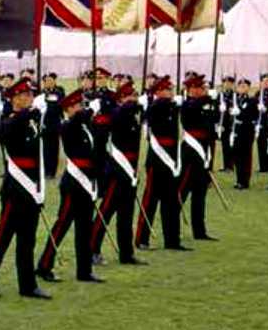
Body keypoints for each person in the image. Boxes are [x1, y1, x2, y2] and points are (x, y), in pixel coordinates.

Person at [0, 78, 51, 299]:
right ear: (14, 99)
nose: (29, 98)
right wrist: (30, 114)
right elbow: (6, 136)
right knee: (4, 236)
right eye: (24, 95)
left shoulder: (30, 119)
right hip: (15, 188)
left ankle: (27, 284)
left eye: (30, 95)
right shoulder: (12, 121)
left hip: (32, 187)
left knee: (27, 239)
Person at [35, 88, 104, 282]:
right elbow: (77, 120)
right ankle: (44, 265)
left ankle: (84, 271)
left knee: (85, 229)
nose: (82, 108)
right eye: (77, 105)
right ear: (68, 109)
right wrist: (89, 110)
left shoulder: (85, 126)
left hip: (87, 182)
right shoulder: (67, 125)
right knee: (61, 226)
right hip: (73, 183)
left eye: (82, 104)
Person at [90, 82, 145, 265]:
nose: (134, 99)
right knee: (106, 211)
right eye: (130, 96)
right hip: (116, 171)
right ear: (121, 99)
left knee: (126, 215)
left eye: (135, 95)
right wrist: (131, 104)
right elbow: (120, 114)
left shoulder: (133, 115)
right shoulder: (118, 113)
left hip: (130, 171)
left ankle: (126, 253)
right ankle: (92, 249)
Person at [134, 78, 188, 250]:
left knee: (172, 202)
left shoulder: (170, 105)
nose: (171, 92)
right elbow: (156, 111)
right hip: (157, 160)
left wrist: (183, 99)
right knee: (150, 201)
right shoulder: (156, 106)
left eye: (171, 89)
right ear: (158, 92)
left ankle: (172, 240)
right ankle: (142, 239)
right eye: (167, 89)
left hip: (171, 160)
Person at [178, 74, 219, 241]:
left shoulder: (206, 103)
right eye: (200, 88)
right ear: (192, 89)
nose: (204, 90)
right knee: (182, 192)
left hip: (204, 150)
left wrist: (213, 102)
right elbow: (193, 113)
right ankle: (172, 228)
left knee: (200, 195)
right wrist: (207, 99)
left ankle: (199, 230)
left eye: (204, 87)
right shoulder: (187, 104)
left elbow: (214, 119)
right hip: (191, 153)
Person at [230, 79, 259, 189]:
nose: (242, 88)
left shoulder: (252, 101)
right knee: (237, 157)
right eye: (240, 86)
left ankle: (245, 181)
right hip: (235, 131)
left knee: (245, 157)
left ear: (248, 88)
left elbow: (253, 115)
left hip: (246, 131)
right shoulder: (235, 100)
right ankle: (238, 180)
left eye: (244, 86)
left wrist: (241, 112)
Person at [41, 73, 65, 179]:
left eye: (50, 80)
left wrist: (49, 107)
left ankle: (52, 171)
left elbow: (59, 107)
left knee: (54, 148)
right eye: (46, 81)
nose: (48, 82)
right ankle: (46, 170)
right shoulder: (42, 94)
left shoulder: (59, 93)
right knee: (45, 148)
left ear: (54, 81)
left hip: (54, 124)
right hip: (44, 124)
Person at [255, 73, 268, 173]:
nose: (265, 83)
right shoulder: (258, 94)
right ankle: (262, 166)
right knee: (260, 145)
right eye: (264, 81)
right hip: (260, 123)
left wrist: (266, 110)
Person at [218, 76, 236, 171]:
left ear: (232, 84)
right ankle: (226, 165)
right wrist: (217, 124)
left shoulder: (235, 95)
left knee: (231, 145)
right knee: (224, 145)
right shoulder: (221, 95)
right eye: (225, 83)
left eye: (229, 83)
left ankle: (231, 165)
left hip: (232, 123)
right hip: (223, 123)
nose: (227, 85)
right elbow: (216, 110)